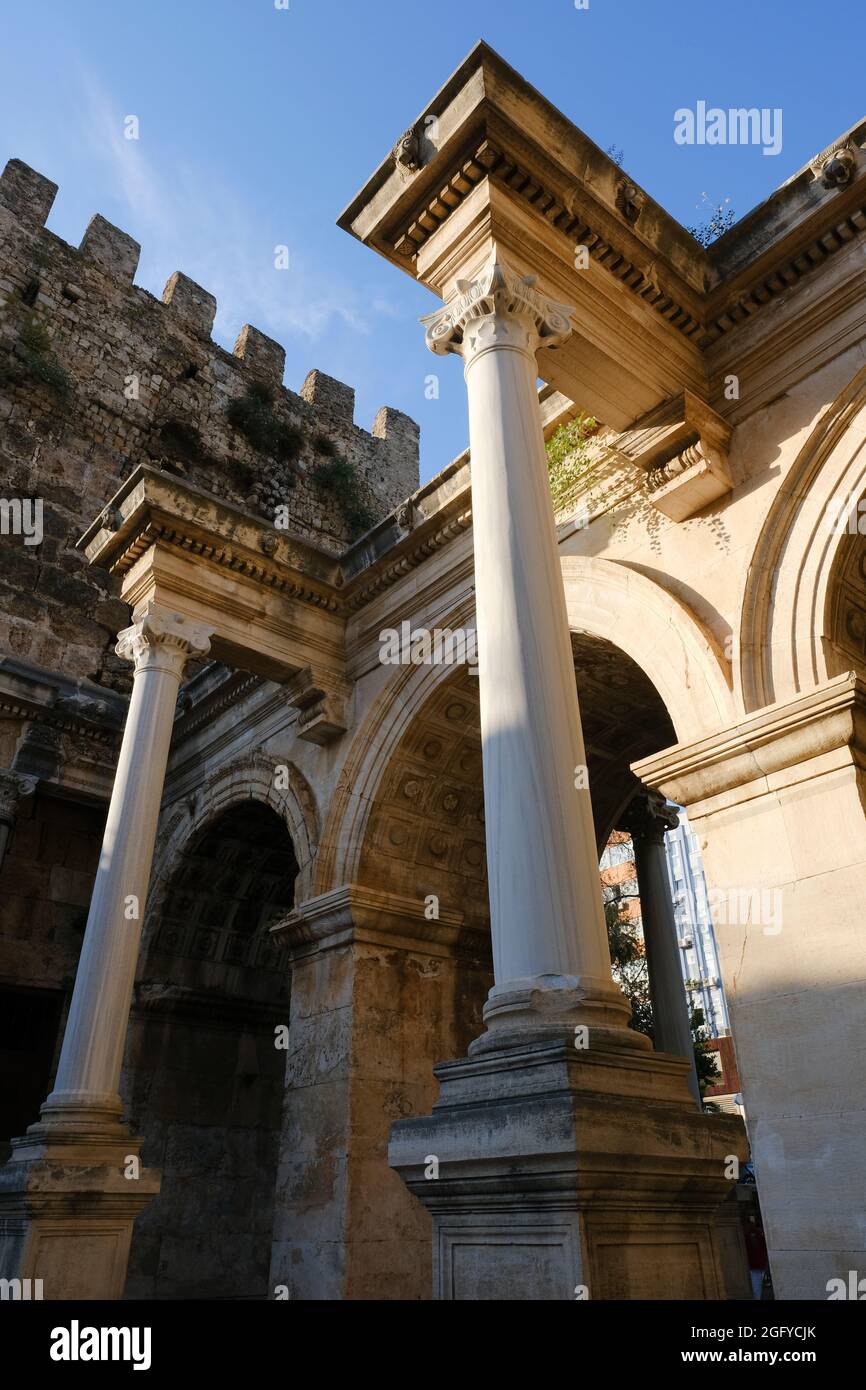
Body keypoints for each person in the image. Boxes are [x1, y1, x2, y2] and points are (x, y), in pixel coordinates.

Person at [744, 1215, 769, 1299]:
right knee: (757, 1289)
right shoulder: (749, 1238)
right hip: (754, 1266)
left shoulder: (758, 1237)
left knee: (758, 1289)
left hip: (758, 1266)